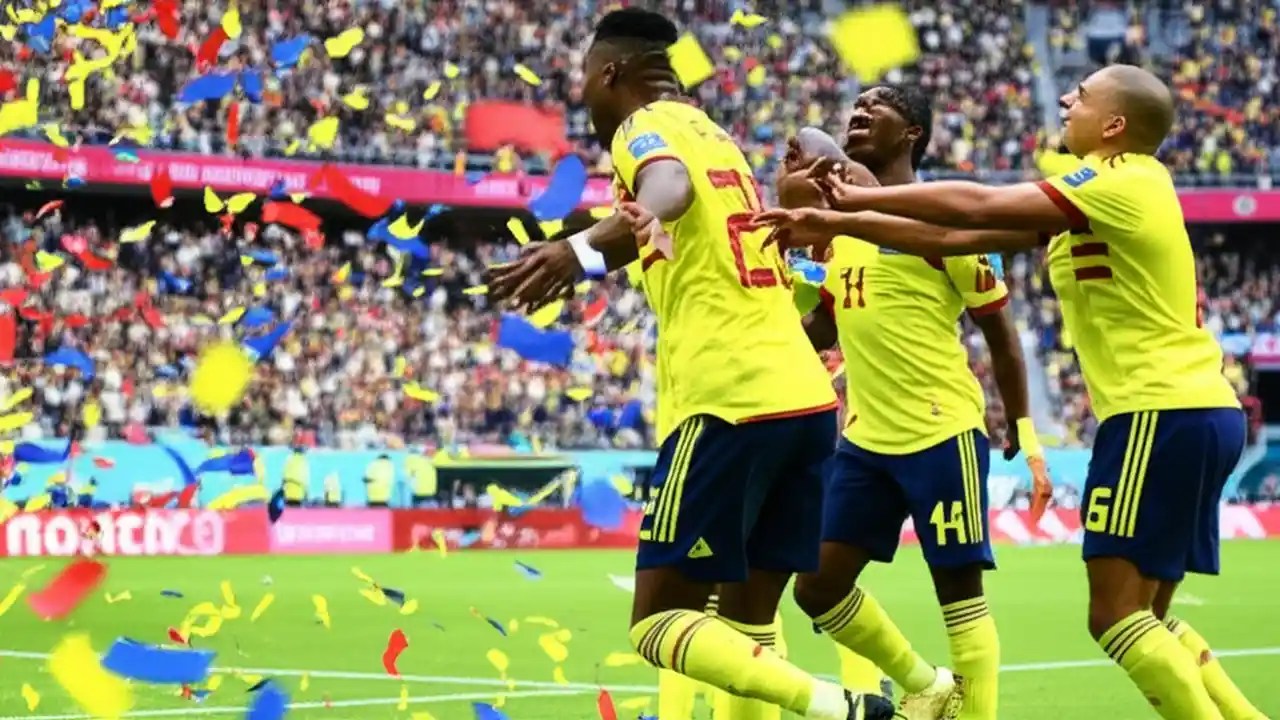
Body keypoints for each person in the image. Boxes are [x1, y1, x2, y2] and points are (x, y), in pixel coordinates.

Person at [753, 64, 1258, 720]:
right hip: (1187, 408)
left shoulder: (1120, 180)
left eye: (1082, 95)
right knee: (1148, 617)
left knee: (1115, 617)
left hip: (1157, 410)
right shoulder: (1104, 192)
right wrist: (846, 216)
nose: (1066, 99)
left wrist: (850, 205)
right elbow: (955, 235)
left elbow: (979, 211)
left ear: (1114, 125)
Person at [488, 8, 891, 720]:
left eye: (586, 78)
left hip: (729, 401)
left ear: (611, 73)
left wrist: (578, 251)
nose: (583, 93)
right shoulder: (715, 135)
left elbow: (668, 187)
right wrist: (605, 246)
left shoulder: (642, 128)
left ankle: (840, 707)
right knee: (747, 626)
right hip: (804, 404)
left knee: (657, 623)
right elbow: (682, 216)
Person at [772, 85, 1049, 720]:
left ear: (912, 133)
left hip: (940, 433)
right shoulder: (841, 231)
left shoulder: (942, 227)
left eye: (880, 105)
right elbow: (827, 325)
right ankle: (926, 684)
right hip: (865, 442)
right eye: (857, 105)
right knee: (816, 588)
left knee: (960, 599)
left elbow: (1001, 335)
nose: (860, 110)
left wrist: (1025, 432)